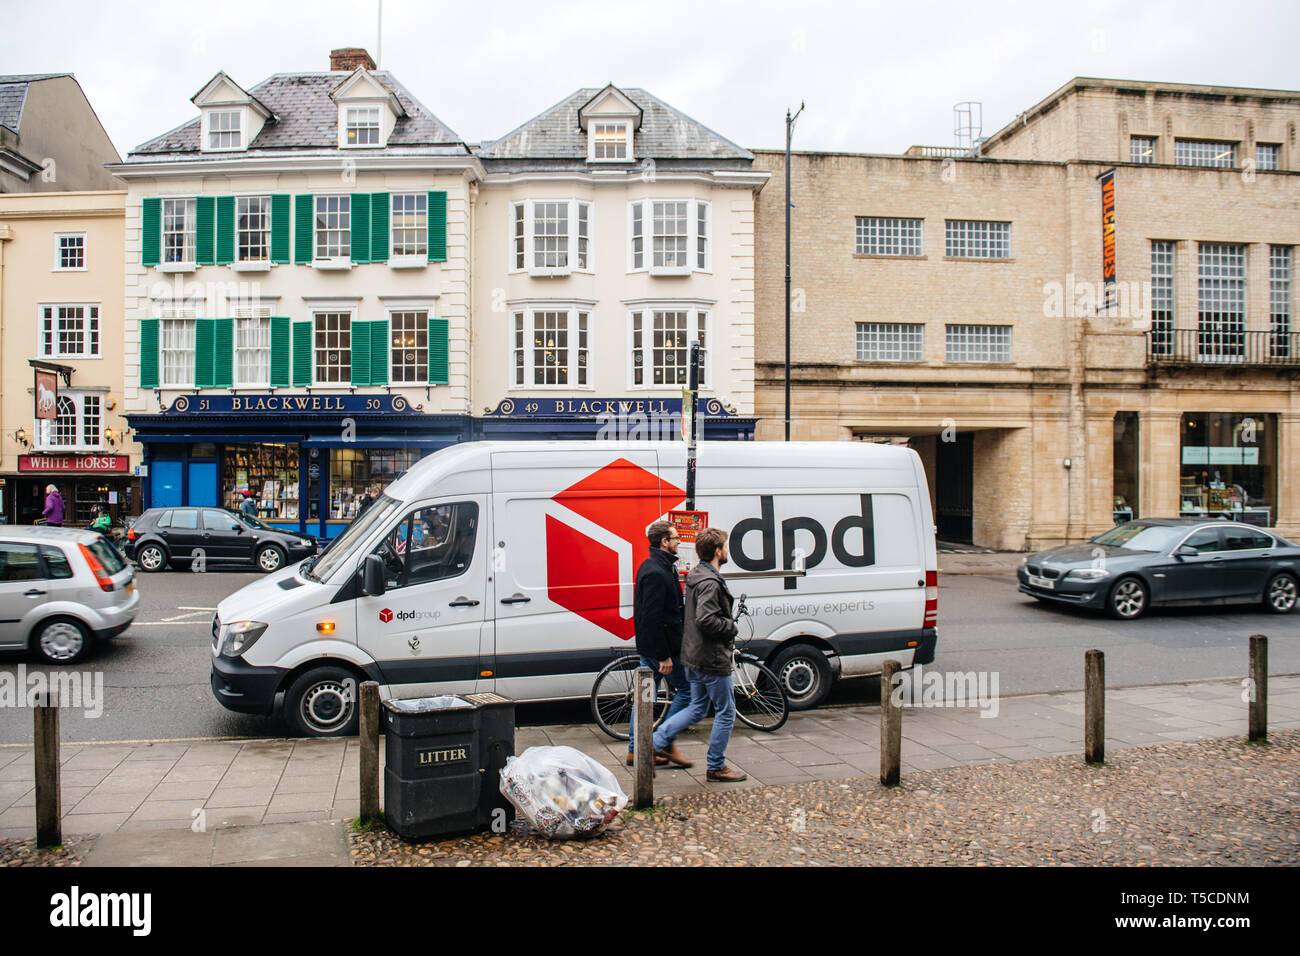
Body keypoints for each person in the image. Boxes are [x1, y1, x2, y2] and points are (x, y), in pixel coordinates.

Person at [652, 526, 746, 782]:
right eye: (725, 546)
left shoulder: (697, 575)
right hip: (710, 657)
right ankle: (716, 766)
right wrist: (731, 626)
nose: (727, 550)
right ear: (717, 550)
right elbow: (706, 619)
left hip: (693, 654)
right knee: (726, 711)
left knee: (697, 707)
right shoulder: (710, 582)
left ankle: (655, 742)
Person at [628, 520, 692, 768]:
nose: (678, 542)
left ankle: (636, 749)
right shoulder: (656, 571)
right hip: (663, 647)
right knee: (687, 691)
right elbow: (652, 617)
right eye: (675, 538)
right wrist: (664, 655)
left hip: (652, 646)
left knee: (645, 698)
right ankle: (662, 741)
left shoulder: (655, 566)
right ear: (664, 541)